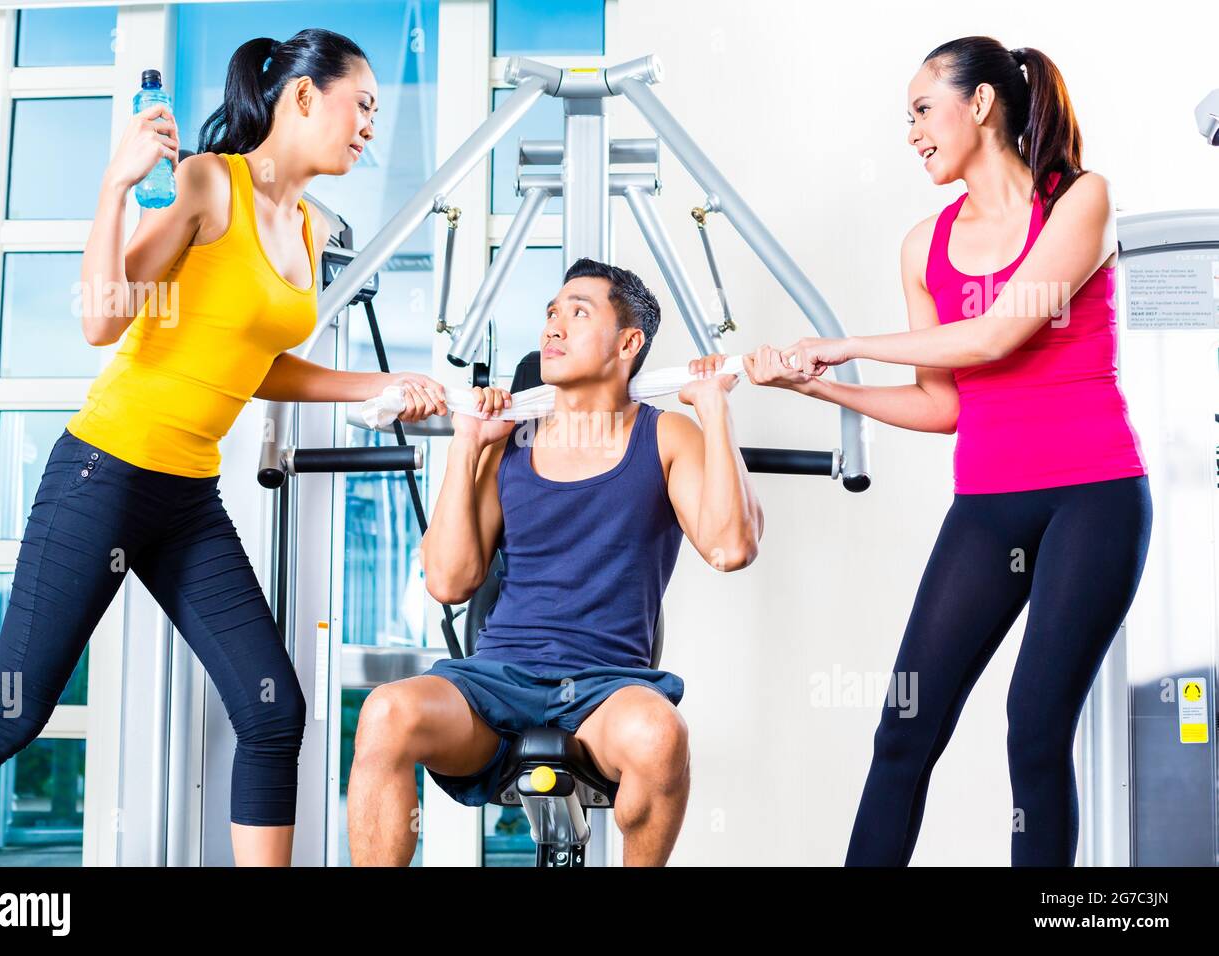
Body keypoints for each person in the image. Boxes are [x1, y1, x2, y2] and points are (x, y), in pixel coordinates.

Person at [0, 28, 448, 868]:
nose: (372, 127)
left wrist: (378, 388)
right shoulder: (211, 183)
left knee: (274, 710)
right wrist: (116, 184)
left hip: (186, 498)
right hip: (104, 470)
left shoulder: (307, 227)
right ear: (305, 97)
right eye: (365, 106)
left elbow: (256, 360)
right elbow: (102, 317)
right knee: (12, 711)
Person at [695, 36, 1151, 866]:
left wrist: (845, 344)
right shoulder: (923, 247)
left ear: (978, 105)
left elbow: (1001, 332)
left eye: (920, 111)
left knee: (1035, 727)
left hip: (1096, 495)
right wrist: (821, 389)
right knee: (903, 730)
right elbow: (943, 403)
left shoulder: (1081, 201)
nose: (910, 134)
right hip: (987, 504)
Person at [346, 258, 765, 866]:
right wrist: (467, 444)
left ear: (628, 343)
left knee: (660, 735)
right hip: (495, 683)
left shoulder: (667, 436)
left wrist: (714, 411)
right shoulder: (509, 443)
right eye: (550, 313)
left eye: (577, 312)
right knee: (385, 713)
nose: (553, 327)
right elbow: (447, 580)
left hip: (605, 689)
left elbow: (731, 547)